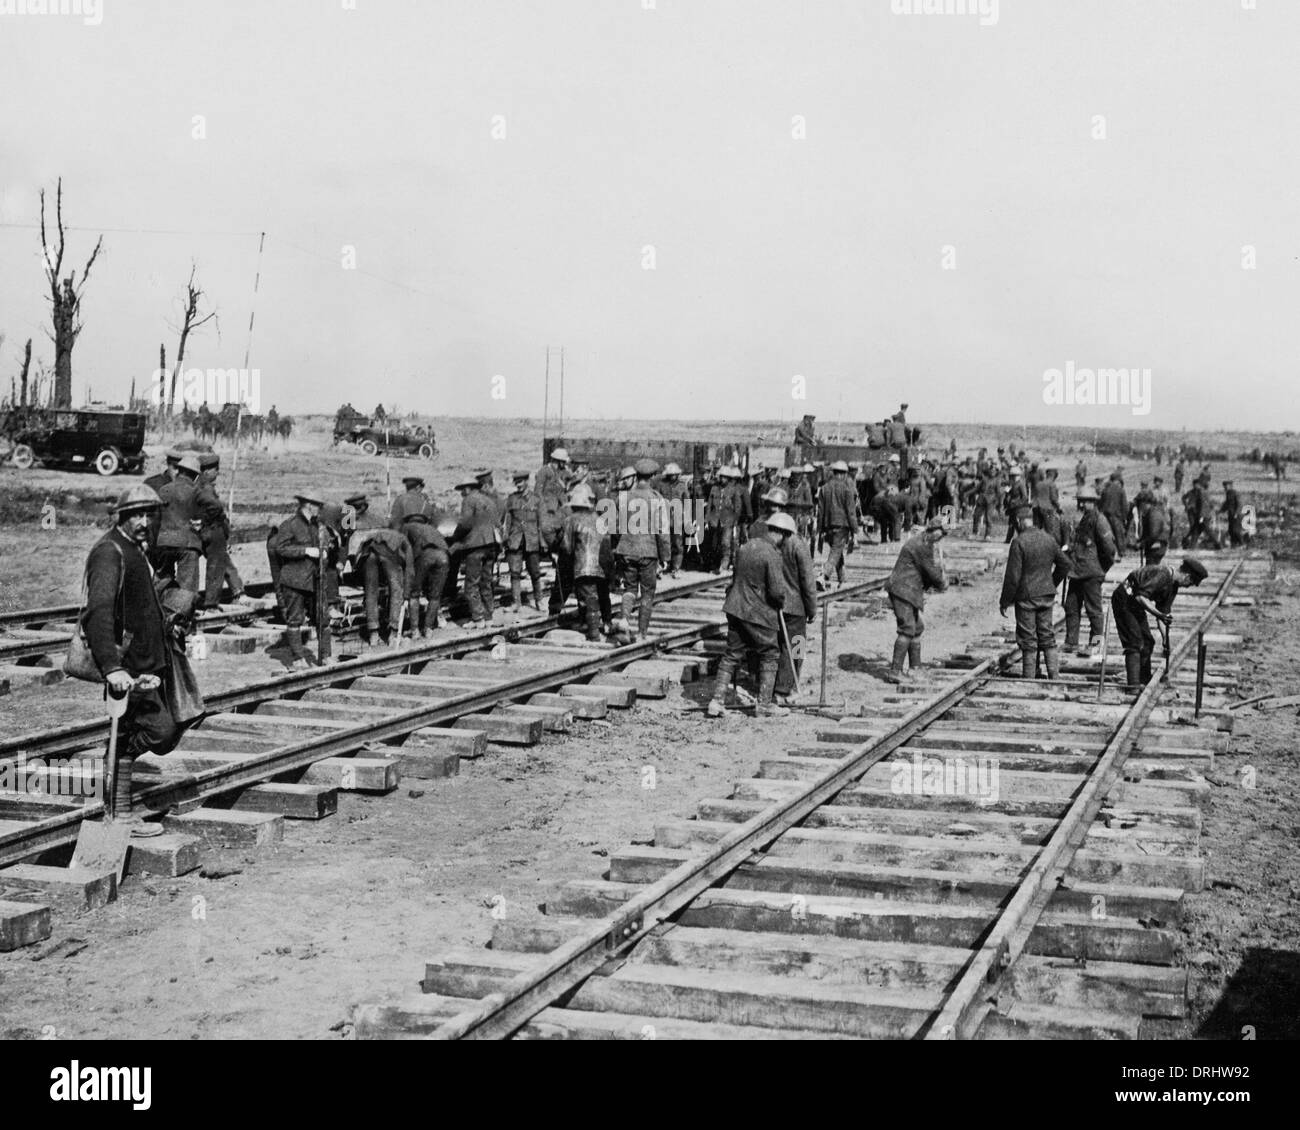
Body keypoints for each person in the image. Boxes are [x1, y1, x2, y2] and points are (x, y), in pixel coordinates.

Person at [83, 484, 183, 837]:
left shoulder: (135, 549)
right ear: (122, 517)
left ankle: (119, 803)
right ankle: (118, 811)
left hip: (149, 664)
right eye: (136, 515)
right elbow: (99, 613)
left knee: (169, 726)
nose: (144, 522)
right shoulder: (110, 552)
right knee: (159, 729)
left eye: (149, 515)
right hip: (128, 668)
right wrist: (112, 668)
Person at [705, 513, 793, 718]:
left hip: (735, 608)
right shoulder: (772, 554)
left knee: (731, 654)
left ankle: (716, 702)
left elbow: (736, 578)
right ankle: (764, 704)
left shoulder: (746, 547)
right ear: (779, 533)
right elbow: (776, 591)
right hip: (756, 612)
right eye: (786, 536)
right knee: (770, 653)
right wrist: (780, 602)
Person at [1111, 556, 1208, 689]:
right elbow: (1141, 597)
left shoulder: (1173, 588)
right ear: (1187, 576)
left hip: (1136, 604)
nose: (1187, 587)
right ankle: (1132, 686)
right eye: (1190, 583)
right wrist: (1160, 615)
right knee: (1134, 641)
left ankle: (1144, 680)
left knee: (1148, 641)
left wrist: (1165, 639)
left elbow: (1163, 615)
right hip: (1124, 599)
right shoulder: (1162, 575)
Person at [1000, 505, 1072, 679]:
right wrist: (1050, 584)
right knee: (1047, 635)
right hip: (1046, 596)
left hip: (1026, 597)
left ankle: (1029, 679)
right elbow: (1066, 564)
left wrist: (1005, 601)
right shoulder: (1048, 539)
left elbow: (1013, 577)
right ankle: (1054, 676)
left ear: (1018, 521)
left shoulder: (1019, 542)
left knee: (1028, 640)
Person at [882, 516, 947, 681]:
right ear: (931, 530)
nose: (941, 537)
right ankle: (895, 672)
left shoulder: (924, 542)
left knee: (917, 627)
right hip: (903, 590)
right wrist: (942, 583)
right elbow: (931, 572)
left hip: (909, 590)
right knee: (907, 628)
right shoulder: (921, 546)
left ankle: (915, 668)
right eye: (940, 534)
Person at [269, 492, 325, 669]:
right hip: (294, 580)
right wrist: (306, 551)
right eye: (317, 505)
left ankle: (326, 656)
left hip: (314, 580)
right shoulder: (290, 525)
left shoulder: (317, 527)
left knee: (323, 618)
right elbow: (281, 549)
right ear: (308, 505)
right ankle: (298, 658)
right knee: (295, 619)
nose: (320, 509)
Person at [618, 458, 670, 641]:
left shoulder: (624, 497)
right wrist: (665, 556)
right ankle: (641, 634)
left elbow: (616, 526)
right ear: (653, 476)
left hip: (627, 549)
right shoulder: (656, 499)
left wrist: (620, 548)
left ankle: (624, 619)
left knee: (630, 588)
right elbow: (662, 531)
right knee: (648, 593)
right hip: (648, 551)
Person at [1062, 485, 1116, 657]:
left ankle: (1096, 644)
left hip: (1091, 573)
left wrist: (1102, 567)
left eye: (1085, 502)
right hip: (1077, 571)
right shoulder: (1085, 518)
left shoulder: (1100, 520)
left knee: (1094, 611)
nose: (1081, 505)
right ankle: (1071, 642)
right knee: (1071, 606)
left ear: (1093, 502)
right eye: (1080, 501)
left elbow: (1109, 549)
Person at [771, 511, 817, 706]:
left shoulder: (773, 547)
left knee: (781, 646)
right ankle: (785, 688)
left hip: (777, 604)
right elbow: (808, 581)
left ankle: (780, 685)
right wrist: (812, 609)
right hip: (796, 608)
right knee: (797, 646)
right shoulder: (798, 546)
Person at [153, 453, 212, 593]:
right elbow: (202, 520)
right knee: (187, 587)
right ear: (195, 475)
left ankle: (158, 609)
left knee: (161, 582)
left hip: (163, 543)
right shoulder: (196, 493)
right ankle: (183, 613)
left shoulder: (163, 490)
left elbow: (155, 520)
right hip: (187, 545)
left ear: (179, 470)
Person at [196, 454, 249, 608]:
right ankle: (214, 603)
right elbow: (214, 508)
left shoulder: (204, 486)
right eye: (215, 469)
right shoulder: (205, 488)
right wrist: (214, 521)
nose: (218, 473)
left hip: (209, 531)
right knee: (216, 566)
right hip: (211, 531)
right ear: (206, 471)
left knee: (223, 561)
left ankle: (237, 591)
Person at [562, 483, 609, 642]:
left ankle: (594, 634)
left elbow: (567, 548)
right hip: (602, 566)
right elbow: (607, 544)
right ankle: (601, 624)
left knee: (589, 599)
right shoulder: (600, 519)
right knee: (598, 596)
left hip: (582, 566)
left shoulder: (570, 520)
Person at [354, 523, 414, 648]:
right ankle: (393, 633)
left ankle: (373, 634)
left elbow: (358, 557)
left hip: (368, 555)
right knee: (396, 591)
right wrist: (407, 594)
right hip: (389, 556)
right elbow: (409, 570)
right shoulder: (404, 540)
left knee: (371, 593)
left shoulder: (376, 533)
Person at [451, 474, 499, 626]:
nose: (461, 494)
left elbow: (465, 523)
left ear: (467, 489)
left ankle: (477, 618)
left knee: (471, 584)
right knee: (486, 582)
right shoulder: (489, 500)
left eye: (462, 491)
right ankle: (489, 616)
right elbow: (497, 522)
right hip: (491, 544)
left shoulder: (469, 500)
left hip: (475, 547)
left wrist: (455, 537)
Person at [401, 513, 451, 637]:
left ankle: (415, 631)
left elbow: (403, 547)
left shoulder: (407, 527)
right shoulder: (432, 529)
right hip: (444, 557)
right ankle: (428, 629)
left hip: (425, 555)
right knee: (435, 596)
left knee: (414, 593)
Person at [503, 470, 545, 611]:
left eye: (520, 482)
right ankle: (516, 603)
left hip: (531, 541)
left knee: (535, 572)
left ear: (527, 481)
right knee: (515, 573)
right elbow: (507, 521)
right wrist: (505, 539)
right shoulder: (511, 499)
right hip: (515, 541)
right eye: (516, 483)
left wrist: (543, 542)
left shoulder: (536, 499)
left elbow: (541, 523)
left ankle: (539, 600)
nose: (518, 485)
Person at [818, 460, 858, 587]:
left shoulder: (824, 489)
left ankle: (842, 579)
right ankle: (824, 575)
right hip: (842, 525)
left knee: (837, 551)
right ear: (845, 474)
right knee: (836, 551)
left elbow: (820, 511)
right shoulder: (847, 490)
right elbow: (851, 512)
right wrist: (855, 531)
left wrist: (820, 530)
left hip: (828, 525)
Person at [658, 462, 690, 576]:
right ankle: (665, 565)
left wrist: (687, 520)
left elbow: (687, 503)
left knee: (677, 544)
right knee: (664, 543)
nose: (672, 476)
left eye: (674, 474)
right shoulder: (662, 485)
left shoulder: (682, 486)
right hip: (665, 518)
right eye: (670, 474)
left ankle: (676, 567)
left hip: (677, 519)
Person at [1100, 471, 1129, 555]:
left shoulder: (1105, 489)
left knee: (1106, 534)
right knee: (1119, 534)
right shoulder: (1120, 490)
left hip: (1105, 515)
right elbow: (1125, 506)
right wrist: (1124, 517)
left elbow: (1101, 503)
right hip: (1116, 516)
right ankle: (1121, 551)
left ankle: (1107, 551)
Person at [1221, 480, 1246, 547]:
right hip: (1231, 514)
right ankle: (1233, 545)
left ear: (1230, 486)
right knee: (1231, 530)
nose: (1225, 488)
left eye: (1227, 486)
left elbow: (1239, 504)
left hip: (1237, 515)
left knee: (1236, 530)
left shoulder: (1235, 493)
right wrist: (1221, 510)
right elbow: (1227, 504)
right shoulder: (1228, 493)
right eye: (1224, 486)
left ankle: (1242, 544)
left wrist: (1236, 513)